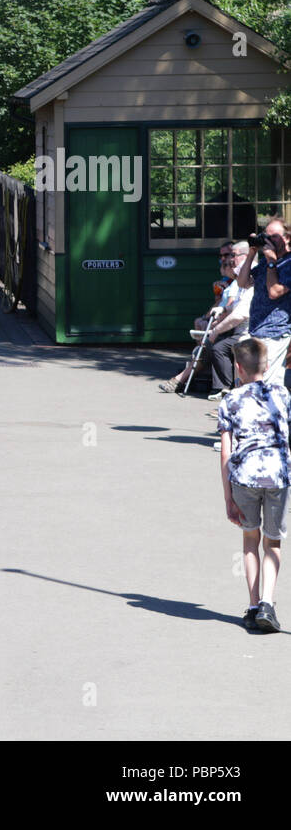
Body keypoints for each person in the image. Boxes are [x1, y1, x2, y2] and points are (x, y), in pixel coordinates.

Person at [218, 336, 291, 632]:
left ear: (237, 368)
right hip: (278, 475)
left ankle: (252, 605)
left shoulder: (230, 401)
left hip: (245, 477)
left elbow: (225, 451)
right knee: (272, 542)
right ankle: (267, 604)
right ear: (265, 364)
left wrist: (228, 498)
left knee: (250, 538)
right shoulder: (283, 395)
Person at [161, 241, 249, 393]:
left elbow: (234, 310)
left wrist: (215, 326)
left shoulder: (241, 282)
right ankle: (187, 378)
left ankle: (186, 380)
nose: (227, 261)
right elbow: (226, 306)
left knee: (209, 347)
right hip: (230, 327)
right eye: (223, 258)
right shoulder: (230, 282)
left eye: (230, 257)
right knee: (204, 343)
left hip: (239, 329)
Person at [223, 218, 291, 391]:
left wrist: (271, 262)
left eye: (273, 236)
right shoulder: (266, 262)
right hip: (257, 328)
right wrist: (252, 252)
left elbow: (274, 291)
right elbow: (243, 282)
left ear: (287, 238)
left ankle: (266, 414)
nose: (267, 241)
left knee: (266, 381)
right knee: (253, 378)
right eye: (265, 236)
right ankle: (247, 408)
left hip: (275, 330)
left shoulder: (288, 263)